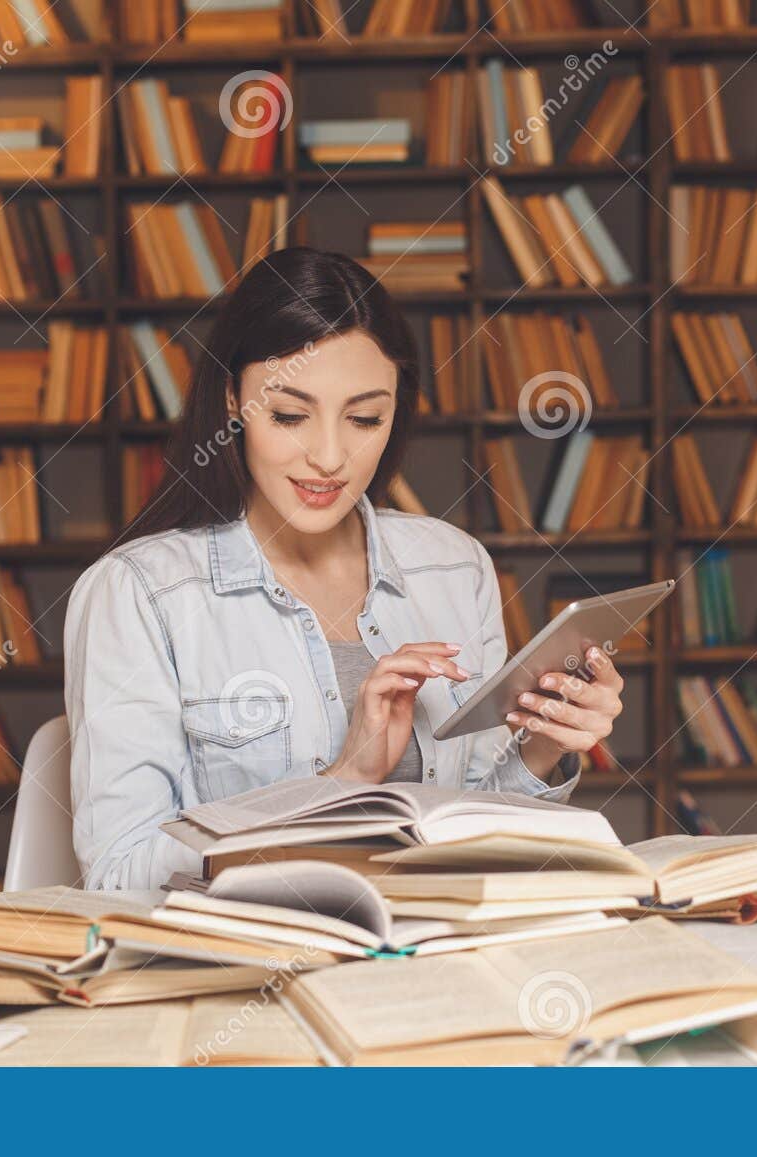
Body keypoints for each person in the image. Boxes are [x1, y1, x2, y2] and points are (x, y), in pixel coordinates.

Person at [64, 247, 625, 889]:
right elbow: (118, 876)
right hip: (253, 950)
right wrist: (343, 782)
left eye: (364, 418)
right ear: (232, 402)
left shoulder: (454, 567)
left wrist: (545, 743)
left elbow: (473, 828)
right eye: (289, 415)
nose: (329, 456)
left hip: (431, 936)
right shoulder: (138, 594)